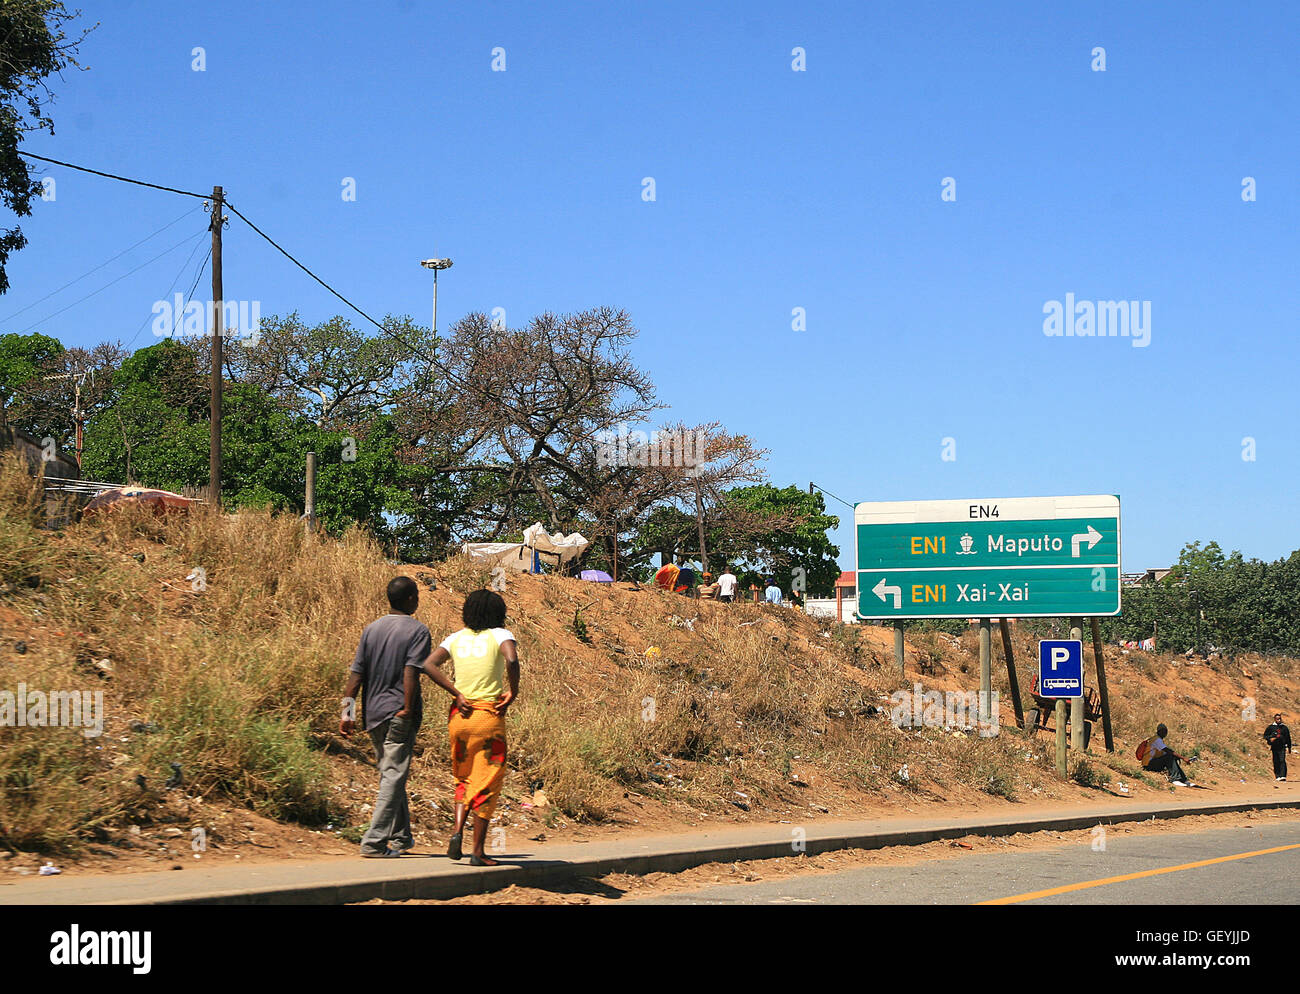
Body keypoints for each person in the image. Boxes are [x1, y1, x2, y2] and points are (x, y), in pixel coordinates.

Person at [341, 576, 461, 858]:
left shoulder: (371, 630)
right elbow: (411, 671)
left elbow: (356, 674)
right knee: (393, 775)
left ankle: (401, 836)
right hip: (398, 713)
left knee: (390, 773)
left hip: (373, 713)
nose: (418, 599)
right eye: (416, 595)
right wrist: (407, 707)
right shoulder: (417, 631)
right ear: (409, 599)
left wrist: (348, 712)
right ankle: (373, 842)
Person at [422, 589, 520, 867]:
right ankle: (477, 851)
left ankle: (455, 832)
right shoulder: (500, 635)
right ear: (497, 613)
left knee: (463, 777)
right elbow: (511, 660)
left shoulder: (456, 638)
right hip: (488, 717)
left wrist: (456, 692)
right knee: (487, 780)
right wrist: (513, 692)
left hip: (459, 717)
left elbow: (428, 664)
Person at [1264, 713, 1292, 782]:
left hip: (1282, 747)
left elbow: (1288, 738)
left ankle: (1283, 776)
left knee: (1282, 760)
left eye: (1280, 719)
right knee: (1276, 761)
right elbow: (1265, 736)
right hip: (1274, 747)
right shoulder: (1271, 727)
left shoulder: (1284, 728)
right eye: (1277, 719)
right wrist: (1270, 738)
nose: (1279, 720)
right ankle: (1277, 775)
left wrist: (1289, 747)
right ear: (1275, 719)